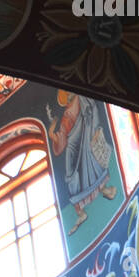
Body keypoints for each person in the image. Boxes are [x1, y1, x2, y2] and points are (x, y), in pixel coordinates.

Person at [47, 92, 117, 234]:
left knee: (73, 177)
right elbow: (93, 112)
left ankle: (81, 211)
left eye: (65, 97)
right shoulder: (83, 99)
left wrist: (51, 130)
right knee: (91, 169)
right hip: (84, 144)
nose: (66, 99)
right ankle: (104, 190)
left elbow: (61, 140)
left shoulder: (69, 113)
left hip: (74, 149)